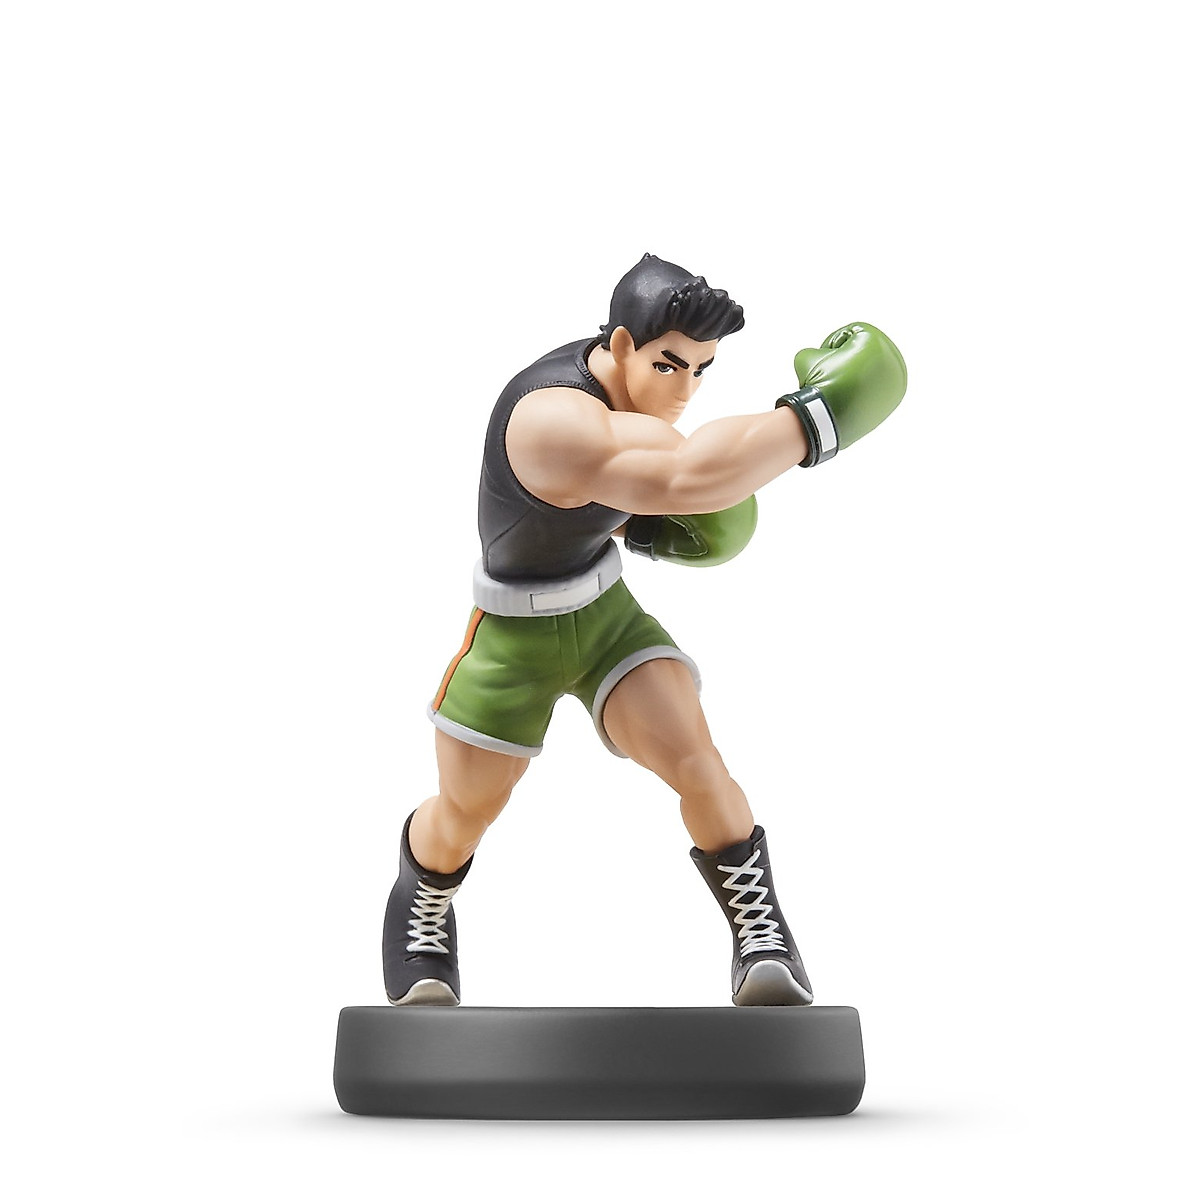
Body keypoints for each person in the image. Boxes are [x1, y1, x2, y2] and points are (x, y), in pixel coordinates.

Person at [382, 253, 906, 1007]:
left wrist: (646, 521)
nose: (683, 391)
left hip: (603, 617)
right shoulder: (551, 420)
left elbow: (664, 477)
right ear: (622, 344)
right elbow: (690, 476)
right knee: (464, 814)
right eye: (668, 365)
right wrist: (817, 417)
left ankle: (762, 937)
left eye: (701, 370)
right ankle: (423, 898)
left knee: (698, 762)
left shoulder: (628, 410)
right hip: (513, 636)